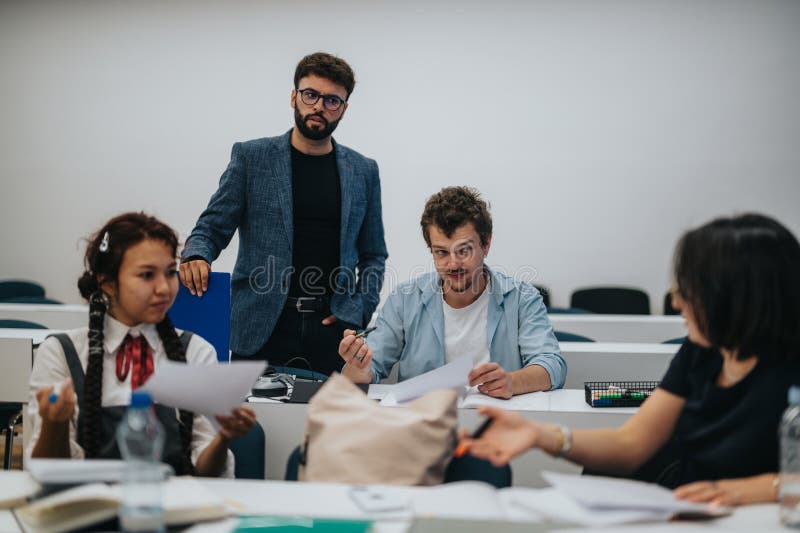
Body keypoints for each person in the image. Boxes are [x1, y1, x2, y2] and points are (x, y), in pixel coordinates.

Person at [459, 213, 800, 505]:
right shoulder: (699, 356)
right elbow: (630, 443)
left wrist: (747, 491)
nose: (678, 303)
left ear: (736, 298)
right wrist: (539, 435)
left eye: (691, 291)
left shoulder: (788, 373)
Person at [180, 52, 387, 376]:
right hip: (260, 325)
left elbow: (374, 255)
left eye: (332, 100)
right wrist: (196, 254)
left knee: (327, 423)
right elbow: (212, 226)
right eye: (311, 94)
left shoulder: (363, 171)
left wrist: (358, 311)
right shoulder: (252, 158)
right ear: (294, 96)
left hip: (332, 329)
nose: (319, 106)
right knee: (253, 423)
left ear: (344, 109)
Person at [27, 213, 256, 477]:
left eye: (171, 272)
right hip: (85, 512)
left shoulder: (196, 351)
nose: (164, 288)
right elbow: (46, 472)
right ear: (108, 283)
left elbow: (208, 473)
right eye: (147, 275)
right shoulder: (61, 352)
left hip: (176, 510)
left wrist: (223, 437)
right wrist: (54, 423)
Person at [339, 186, 566, 397]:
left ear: (486, 244)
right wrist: (357, 367)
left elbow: (552, 366)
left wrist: (511, 381)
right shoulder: (404, 300)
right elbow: (367, 371)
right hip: (424, 426)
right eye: (441, 252)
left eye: (464, 251)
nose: (453, 264)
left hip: (498, 426)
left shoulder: (522, 298)